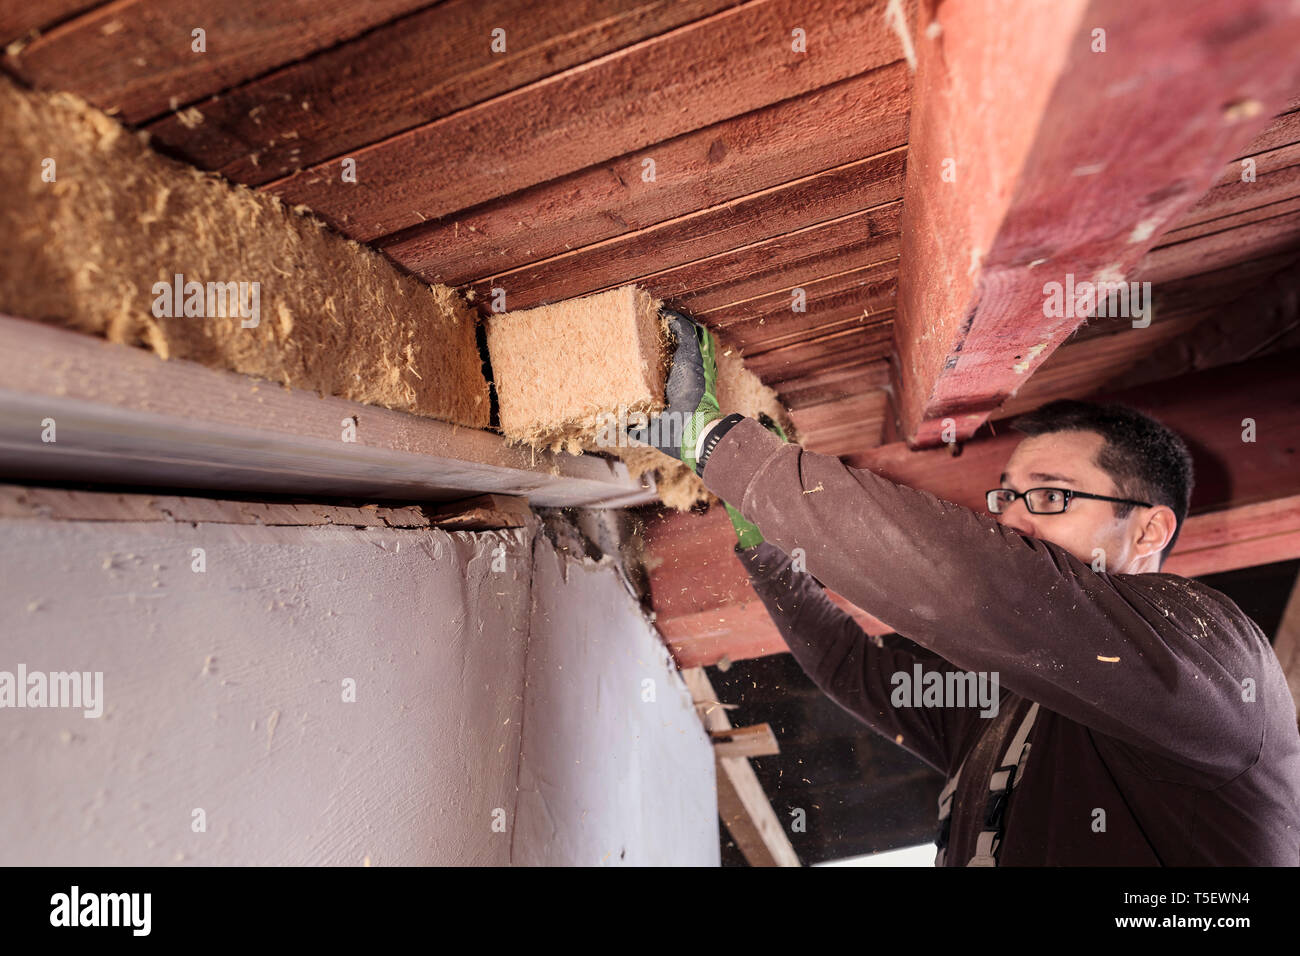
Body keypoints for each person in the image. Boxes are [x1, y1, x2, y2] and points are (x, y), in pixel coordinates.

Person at [632, 309, 1300, 865]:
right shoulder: (1004, 715)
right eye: (1006, 496)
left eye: (1050, 495)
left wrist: (732, 452)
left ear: (1150, 531)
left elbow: (994, 587)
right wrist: (767, 542)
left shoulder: (1210, 649)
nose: (1009, 517)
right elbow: (855, 671)